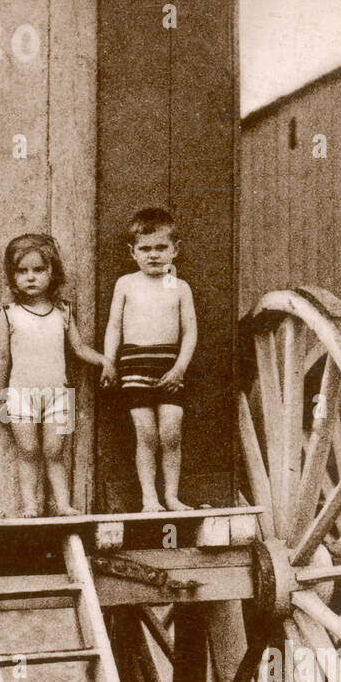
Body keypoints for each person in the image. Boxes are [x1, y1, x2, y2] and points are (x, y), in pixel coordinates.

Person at [0, 233, 115, 516]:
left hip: (58, 394)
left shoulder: (63, 311)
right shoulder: (9, 313)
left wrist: (103, 360)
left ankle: (62, 504)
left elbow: (79, 347)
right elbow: (1, 358)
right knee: (27, 450)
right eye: (22, 271)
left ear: (53, 272)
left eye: (38, 269)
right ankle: (30, 505)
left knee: (54, 450)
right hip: (21, 394)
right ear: (13, 276)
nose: (30, 277)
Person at [102, 208, 197, 511]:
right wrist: (108, 361)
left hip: (169, 368)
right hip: (134, 368)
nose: (153, 255)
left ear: (175, 250)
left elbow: (190, 331)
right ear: (132, 252)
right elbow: (114, 326)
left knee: (171, 433)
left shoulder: (180, 287)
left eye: (160, 247)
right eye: (145, 249)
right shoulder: (126, 283)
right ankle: (149, 499)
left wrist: (180, 368)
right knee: (146, 435)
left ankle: (171, 496)